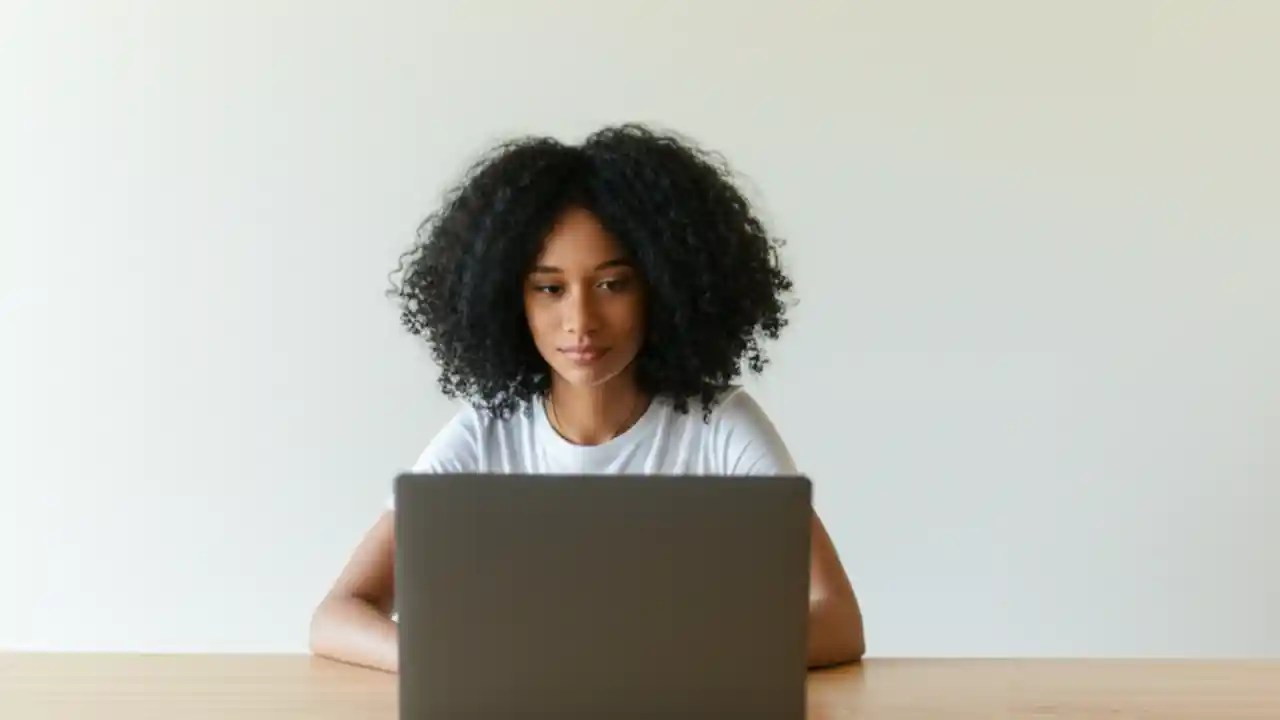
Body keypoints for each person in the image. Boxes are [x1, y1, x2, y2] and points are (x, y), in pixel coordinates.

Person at [309, 123, 865, 672]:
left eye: (611, 285)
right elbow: (337, 615)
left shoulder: (719, 427)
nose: (580, 322)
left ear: (663, 289)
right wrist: (450, 659)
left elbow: (838, 620)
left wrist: (656, 659)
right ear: (511, 299)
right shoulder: (487, 433)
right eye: (550, 288)